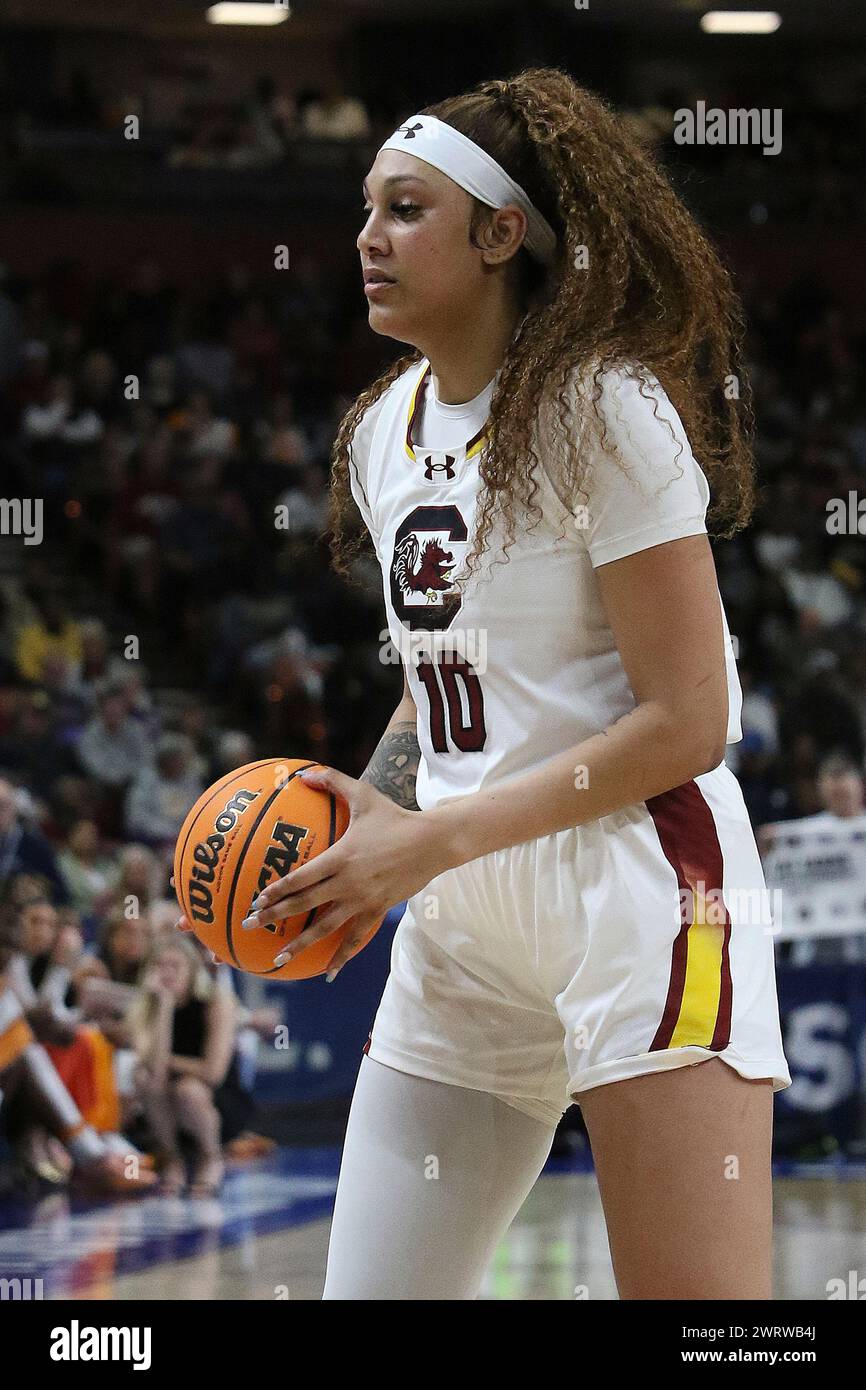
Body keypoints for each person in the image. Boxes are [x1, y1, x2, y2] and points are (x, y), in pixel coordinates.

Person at [177, 68, 791, 1299]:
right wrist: (365, 814)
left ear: (501, 233)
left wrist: (431, 837)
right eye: (364, 208)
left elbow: (687, 720)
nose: (365, 237)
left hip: (639, 891)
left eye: (405, 209)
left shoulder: (599, 410)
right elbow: (441, 678)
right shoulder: (378, 434)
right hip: (461, 916)